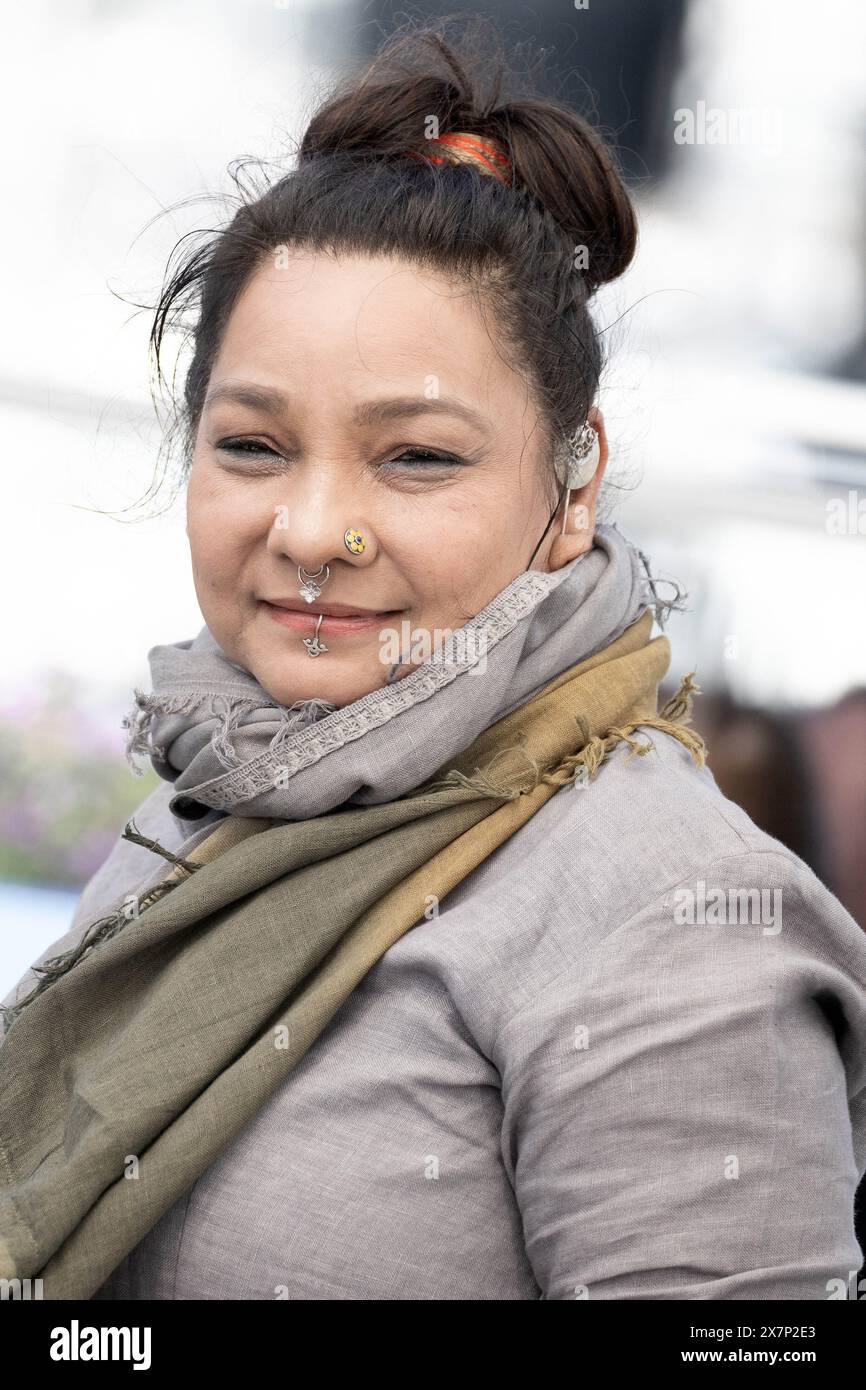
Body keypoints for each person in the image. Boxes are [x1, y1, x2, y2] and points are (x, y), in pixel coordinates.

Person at [2, 19, 864, 1302]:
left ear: (573, 487)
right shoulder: (229, 782)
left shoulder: (673, 925)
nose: (309, 531)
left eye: (416, 457)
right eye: (252, 445)